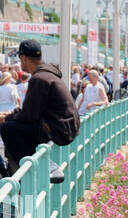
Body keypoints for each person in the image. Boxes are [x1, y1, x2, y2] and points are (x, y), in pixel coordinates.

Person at [0, 40, 80, 174]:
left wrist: (7, 118)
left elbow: (29, 115)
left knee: (7, 128)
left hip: (59, 130)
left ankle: (31, 167)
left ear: (24, 58)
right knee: (13, 124)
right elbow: (31, 111)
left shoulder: (39, 79)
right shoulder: (49, 74)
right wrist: (10, 115)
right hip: (67, 126)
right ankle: (37, 162)